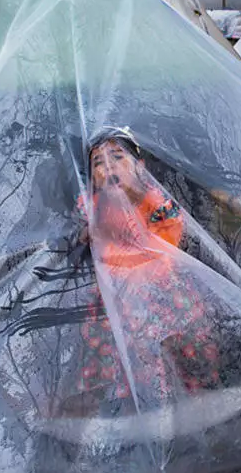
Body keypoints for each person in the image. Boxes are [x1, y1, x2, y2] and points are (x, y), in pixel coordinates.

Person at [62, 127, 222, 415]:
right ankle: (136, 405)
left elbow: (169, 234)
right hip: (114, 291)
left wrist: (144, 257)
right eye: (98, 163)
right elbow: (83, 237)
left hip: (160, 284)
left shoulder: (152, 201)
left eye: (117, 157)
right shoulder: (93, 207)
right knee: (119, 352)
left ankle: (198, 396)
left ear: (140, 166)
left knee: (184, 341)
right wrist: (88, 232)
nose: (108, 167)